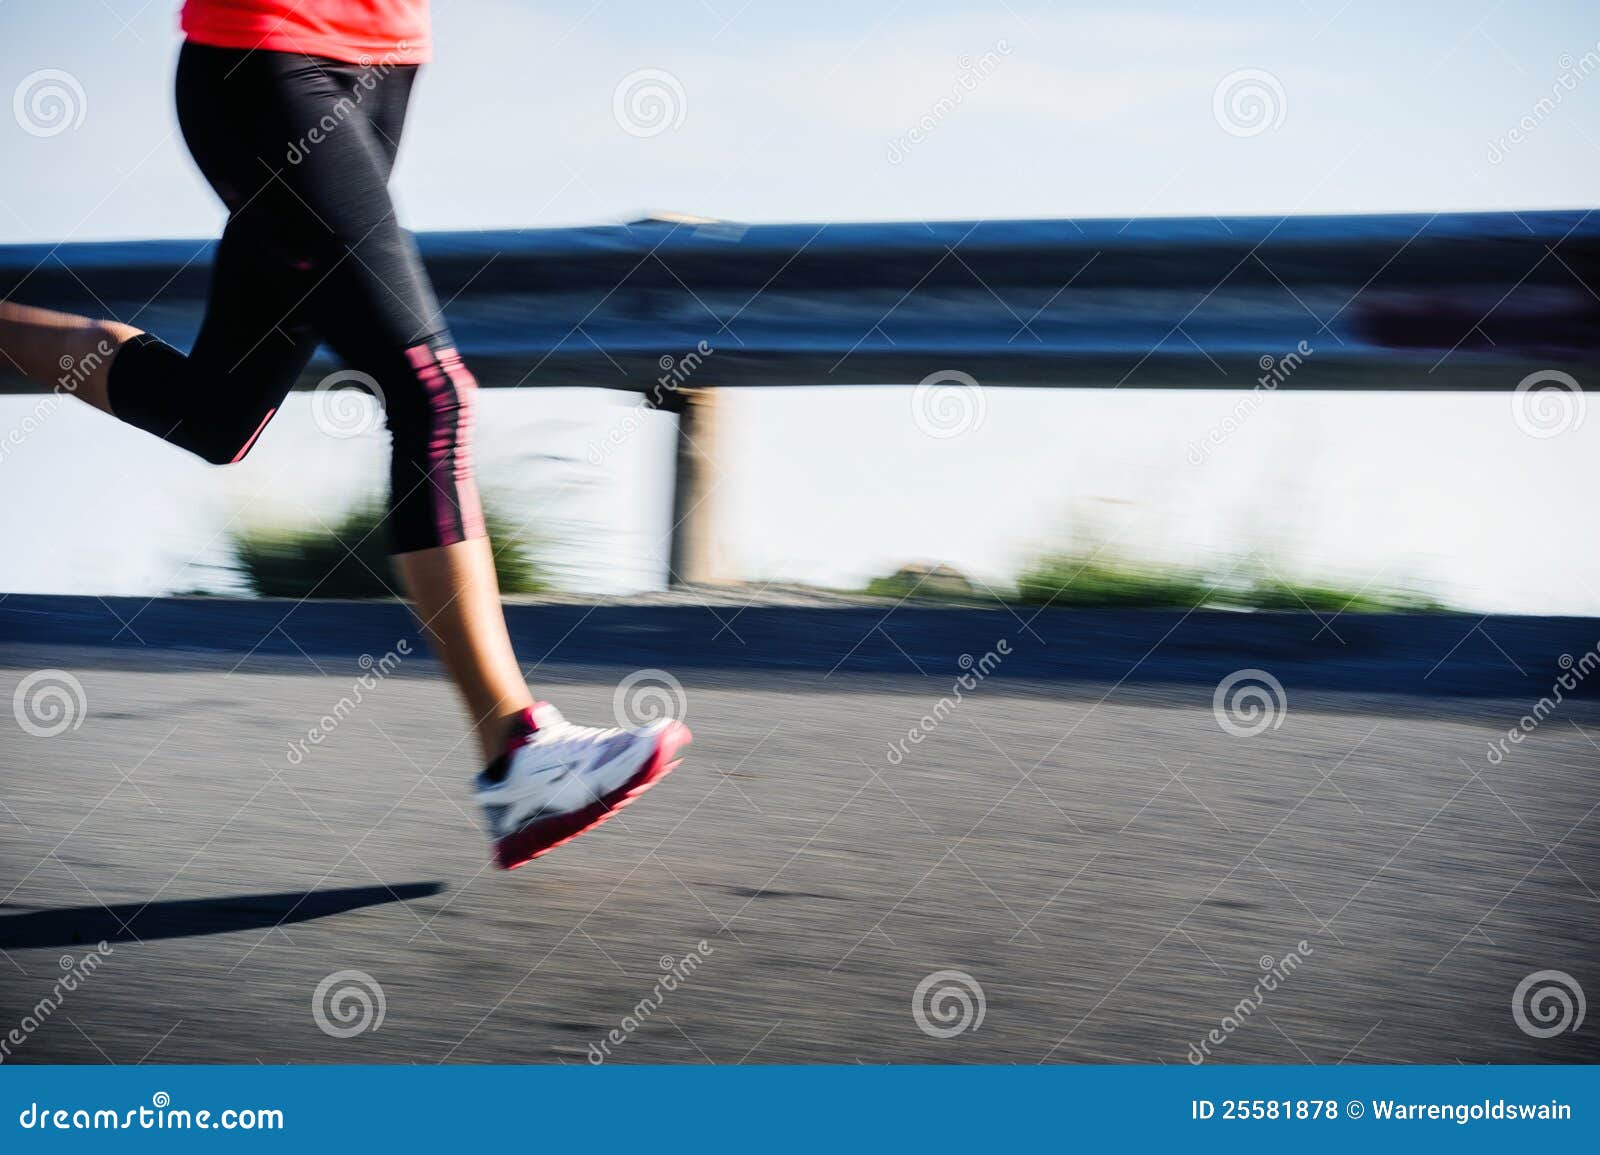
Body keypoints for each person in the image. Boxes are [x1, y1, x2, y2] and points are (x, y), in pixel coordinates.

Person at [0, 0, 689, 869]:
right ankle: (515, 751)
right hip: (266, 56)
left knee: (218, 413)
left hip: (383, 60)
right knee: (431, 392)